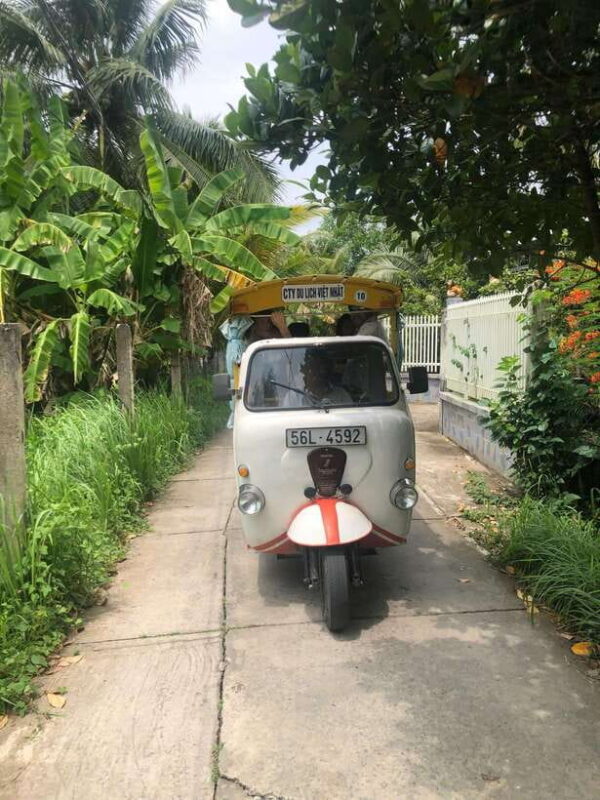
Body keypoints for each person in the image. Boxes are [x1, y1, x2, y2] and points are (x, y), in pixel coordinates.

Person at [282, 349, 352, 407]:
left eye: (323, 369)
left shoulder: (341, 395)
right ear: (306, 372)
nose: (319, 374)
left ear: (329, 371)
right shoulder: (293, 396)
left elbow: (351, 418)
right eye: (314, 368)